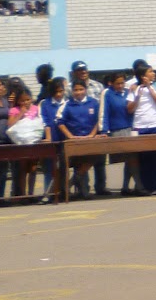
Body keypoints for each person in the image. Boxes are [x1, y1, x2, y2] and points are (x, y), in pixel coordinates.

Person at [127, 66, 156, 195]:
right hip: (140, 126)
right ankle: (146, 187)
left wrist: (149, 87)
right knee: (143, 158)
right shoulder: (135, 88)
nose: (153, 73)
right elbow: (129, 109)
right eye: (150, 72)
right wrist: (138, 97)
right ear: (142, 76)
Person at [68, 60, 108, 195]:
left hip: (95, 127)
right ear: (74, 73)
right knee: (80, 161)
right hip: (78, 130)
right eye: (79, 70)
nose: (83, 72)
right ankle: (83, 190)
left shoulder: (98, 86)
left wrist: (101, 129)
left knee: (99, 160)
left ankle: (101, 187)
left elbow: (103, 108)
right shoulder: (69, 88)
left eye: (84, 69)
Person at [58, 78, 102, 198]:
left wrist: (93, 134)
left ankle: (73, 181)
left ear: (86, 90)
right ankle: (82, 192)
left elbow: (99, 120)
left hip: (90, 139)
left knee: (92, 159)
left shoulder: (93, 103)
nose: (78, 92)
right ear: (72, 91)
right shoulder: (67, 104)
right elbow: (60, 122)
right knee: (74, 163)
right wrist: (70, 136)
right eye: (76, 90)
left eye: (81, 89)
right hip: (74, 141)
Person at [37, 77, 67, 202]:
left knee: (64, 167)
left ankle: (63, 192)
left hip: (65, 139)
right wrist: (48, 137)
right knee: (49, 167)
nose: (59, 94)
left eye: (61, 91)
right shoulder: (45, 104)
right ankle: (48, 193)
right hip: (51, 140)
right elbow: (45, 122)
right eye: (56, 92)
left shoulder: (68, 103)